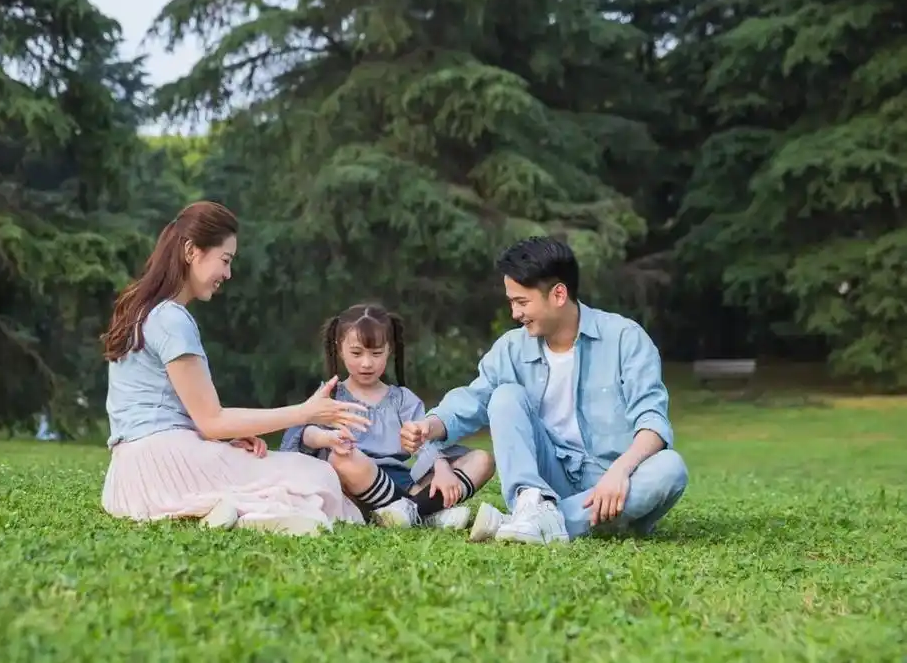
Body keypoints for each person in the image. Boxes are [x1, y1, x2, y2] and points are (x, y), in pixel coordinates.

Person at [99, 201, 371, 536]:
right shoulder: (171, 318)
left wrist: (227, 435)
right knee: (318, 474)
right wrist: (306, 412)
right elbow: (212, 421)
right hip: (167, 464)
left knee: (282, 470)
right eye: (225, 260)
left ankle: (224, 512)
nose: (227, 274)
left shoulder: (141, 311)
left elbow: (167, 413)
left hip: (127, 482)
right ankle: (253, 515)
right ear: (190, 251)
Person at [400, 237, 688, 545]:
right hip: (547, 480)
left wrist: (619, 472)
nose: (514, 313)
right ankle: (539, 508)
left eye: (522, 302)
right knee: (505, 396)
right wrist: (430, 426)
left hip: (612, 480)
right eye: (511, 302)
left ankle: (536, 521)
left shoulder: (625, 338)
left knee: (670, 468)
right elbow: (474, 400)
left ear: (559, 294)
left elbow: (652, 421)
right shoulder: (512, 348)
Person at [280, 303, 495, 531]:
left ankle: (409, 511)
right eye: (356, 353)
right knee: (342, 459)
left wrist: (442, 468)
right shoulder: (331, 394)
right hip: (355, 483)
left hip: (403, 483)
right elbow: (300, 434)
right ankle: (425, 512)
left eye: (376, 353)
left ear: (389, 350)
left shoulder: (402, 399)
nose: (366, 363)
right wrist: (324, 439)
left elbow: (424, 442)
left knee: (482, 460)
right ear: (339, 349)